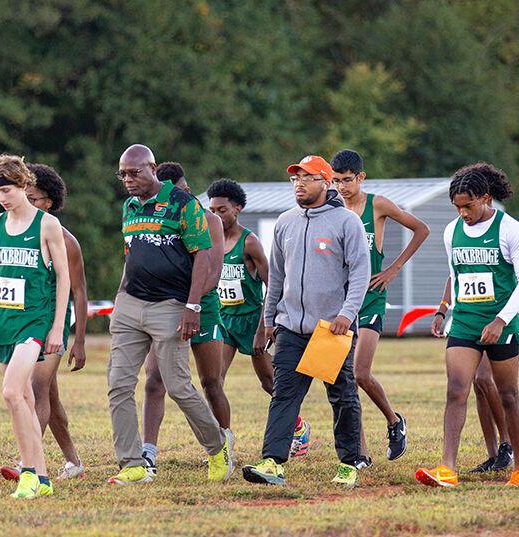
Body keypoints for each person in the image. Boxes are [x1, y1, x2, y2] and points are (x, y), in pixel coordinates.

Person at [107, 145, 230, 486]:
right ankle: (133, 463)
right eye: (123, 175)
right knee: (118, 384)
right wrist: (120, 298)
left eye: (135, 173)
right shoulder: (130, 207)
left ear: (154, 169)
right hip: (131, 304)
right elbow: (131, 257)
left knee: (178, 386)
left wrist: (192, 306)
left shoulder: (182, 204)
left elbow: (203, 255)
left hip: (170, 306)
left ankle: (218, 446)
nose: (128, 180)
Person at [241, 155, 368, 488]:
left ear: (325, 182)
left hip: (331, 329)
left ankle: (350, 462)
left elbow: (360, 274)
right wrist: (270, 319)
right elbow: (278, 276)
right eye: (295, 178)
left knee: (341, 396)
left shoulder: (347, 222)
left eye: (307, 178)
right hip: (291, 329)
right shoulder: (285, 222)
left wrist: (346, 315)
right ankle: (273, 462)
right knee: (283, 396)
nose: (299, 183)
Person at [417, 162, 519, 488]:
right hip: (465, 322)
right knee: (456, 389)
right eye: (457, 207)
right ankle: (447, 468)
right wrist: (444, 310)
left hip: (501, 322)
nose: (462, 213)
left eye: (468, 206)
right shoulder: (451, 231)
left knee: (508, 395)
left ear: (485, 198)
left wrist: (501, 320)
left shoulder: (509, 228)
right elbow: (457, 277)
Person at [0, 154, 70, 499]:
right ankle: (41, 479)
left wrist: (57, 328)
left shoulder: (47, 225)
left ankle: (27, 473)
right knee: (21, 396)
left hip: (35, 322)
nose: (3, 198)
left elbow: (64, 279)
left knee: (11, 391)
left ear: (23, 184)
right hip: (4, 322)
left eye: (7, 190)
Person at [331, 149, 429, 466]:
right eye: (336, 181)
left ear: (361, 177)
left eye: (347, 180)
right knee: (341, 378)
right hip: (339, 301)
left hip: (371, 296)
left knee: (359, 372)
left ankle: (393, 421)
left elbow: (421, 229)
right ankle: (358, 453)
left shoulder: (377, 204)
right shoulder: (330, 208)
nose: (342, 187)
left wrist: (394, 268)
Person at [206, 178, 314, 459]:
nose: (216, 215)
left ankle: (298, 427)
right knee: (214, 381)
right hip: (225, 320)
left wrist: (263, 328)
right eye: (212, 210)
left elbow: (273, 285)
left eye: (222, 210)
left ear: (237, 209)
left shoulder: (249, 242)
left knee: (270, 383)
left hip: (252, 320)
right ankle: (222, 440)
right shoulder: (211, 239)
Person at [0, 163, 88, 482]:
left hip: (52, 321)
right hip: (22, 320)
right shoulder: (11, 230)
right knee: (50, 395)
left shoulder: (65, 239)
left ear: (48, 202)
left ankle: (28, 463)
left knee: (35, 387)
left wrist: (79, 339)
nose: (27, 203)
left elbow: (78, 290)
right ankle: (74, 462)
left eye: (33, 198)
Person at [140, 162, 233, 474]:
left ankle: (223, 444)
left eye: (180, 192)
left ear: (186, 188)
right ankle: (147, 455)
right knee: (154, 380)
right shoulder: (153, 218)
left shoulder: (209, 220)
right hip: (166, 308)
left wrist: (191, 305)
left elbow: (213, 271)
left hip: (202, 307)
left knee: (211, 382)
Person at [436, 280, 515, 474]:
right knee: (477, 386)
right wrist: (442, 309)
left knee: (483, 379)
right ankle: (493, 454)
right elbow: (452, 275)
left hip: (496, 317)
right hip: (469, 319)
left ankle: (507, 443)